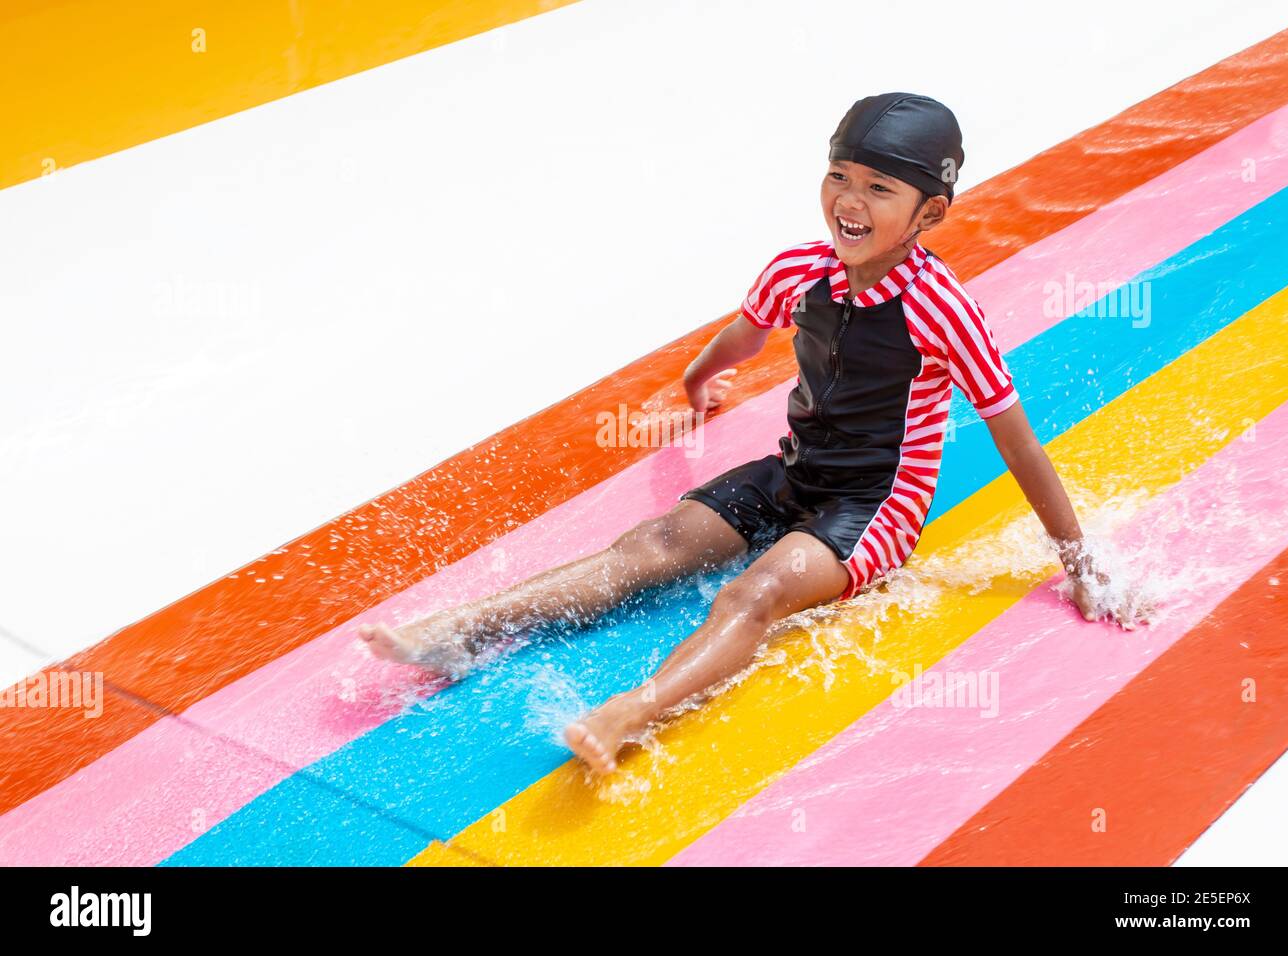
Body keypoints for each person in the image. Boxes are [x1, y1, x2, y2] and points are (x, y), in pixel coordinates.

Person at [359, 92, 1146, 776]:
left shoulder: (943, 309)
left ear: (930, 212)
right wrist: (698, 386)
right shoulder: (800, 269)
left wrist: (1079, 562)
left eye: (879, 188)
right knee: (650, 546)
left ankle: (635, 711)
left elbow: (1018, 441)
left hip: (876, 505)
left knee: (756, 592)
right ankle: (460, 632)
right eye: (839, 176)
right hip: (794, 472)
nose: (850, 200)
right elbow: (744, 336)